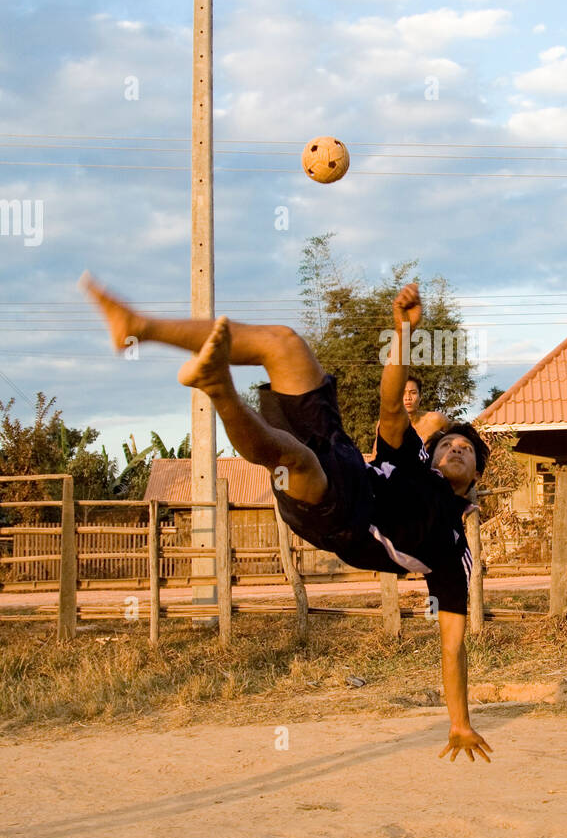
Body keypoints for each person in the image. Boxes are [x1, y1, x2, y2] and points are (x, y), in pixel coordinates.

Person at [82, 274, 492, 763]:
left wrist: (460, 722)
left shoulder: (451, 548)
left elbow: (452, 645)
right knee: (284, 343)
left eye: (465, 448)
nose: (454, 448)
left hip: (342, 519)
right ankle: (137, 325)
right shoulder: (409, 458)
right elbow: (389, 400)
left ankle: (218, 388)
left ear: (475, 475)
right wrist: (401, 331)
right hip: (342, 456)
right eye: (448, 442)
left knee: (296, 460)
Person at [402, 377, 450, 443]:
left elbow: (459, 435)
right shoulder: (387, 426)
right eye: (402, 393)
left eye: (413, 393)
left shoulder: (435, 420)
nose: (408, 398)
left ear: (420, 397)